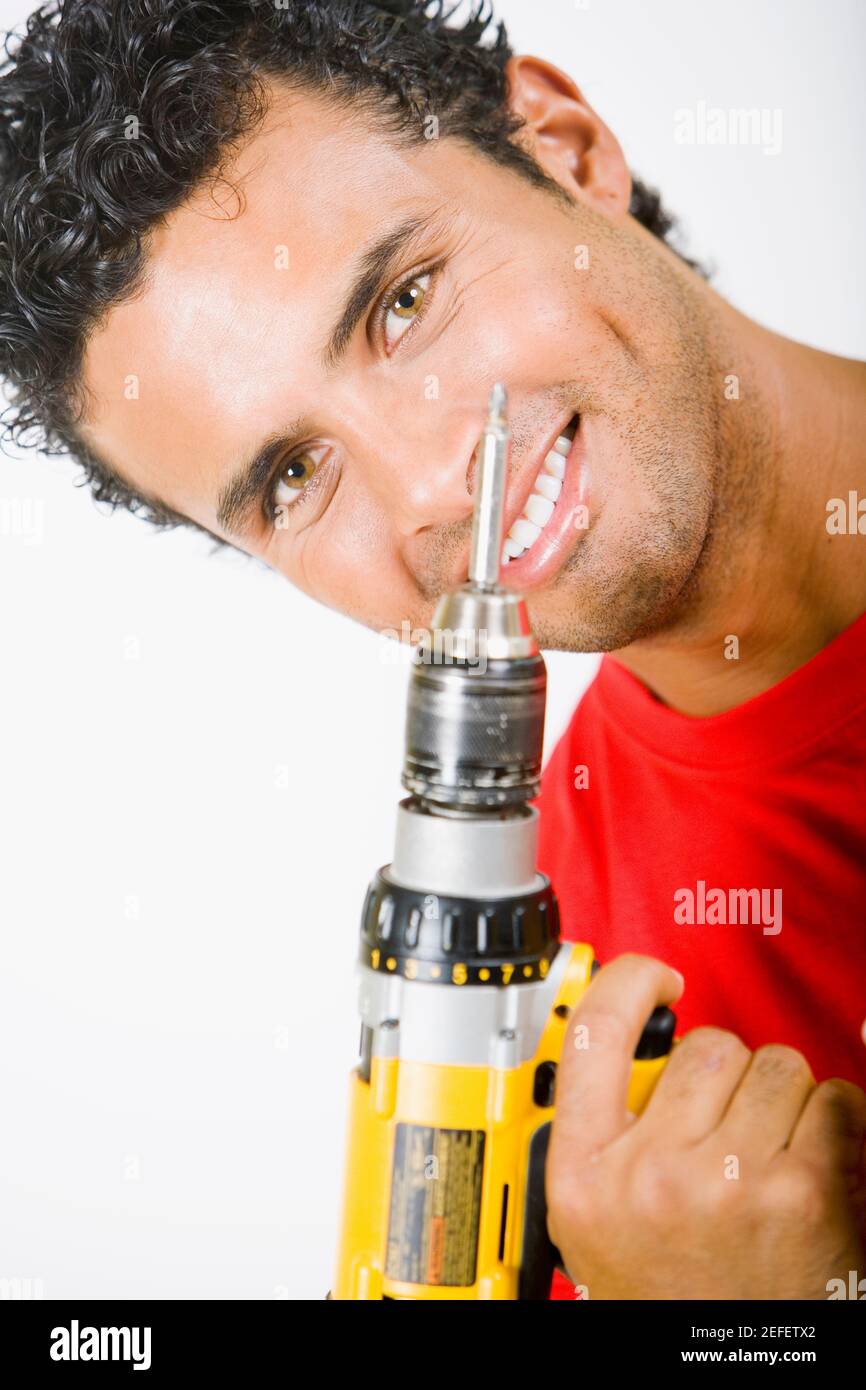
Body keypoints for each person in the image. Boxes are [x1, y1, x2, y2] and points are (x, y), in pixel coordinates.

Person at [1, 1, 864, 1299]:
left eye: (404, 301)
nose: (425, 487)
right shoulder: (553, 1002)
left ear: (566, 150)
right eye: (294, 476)